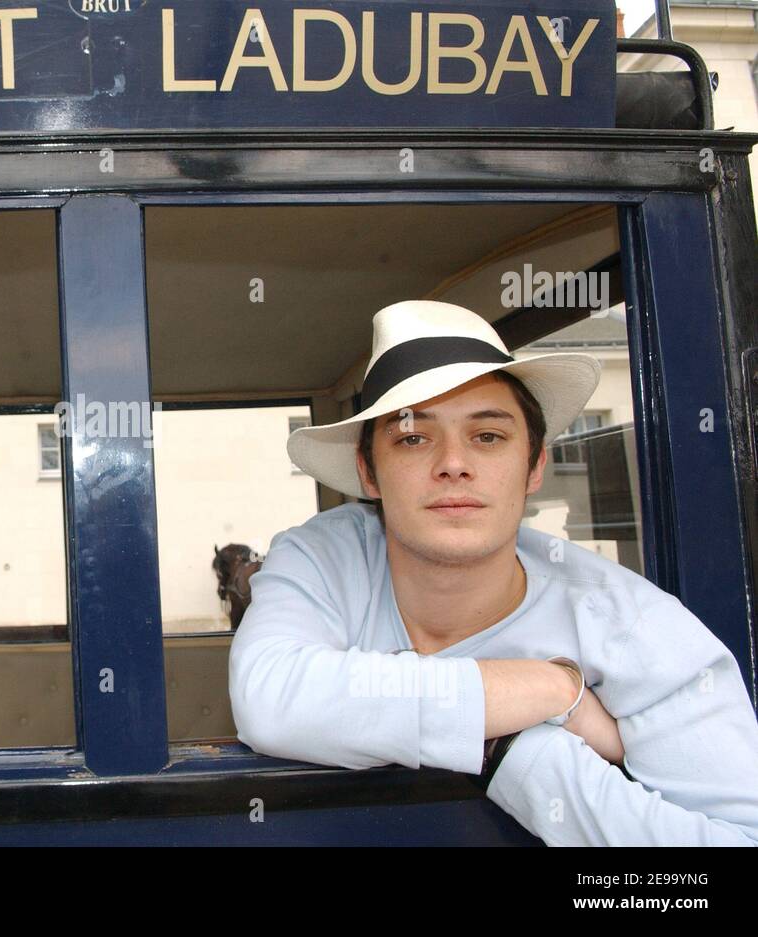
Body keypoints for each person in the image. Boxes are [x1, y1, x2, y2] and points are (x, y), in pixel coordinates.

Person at [228, 299, 758, 845]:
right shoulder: (324, 556)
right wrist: (554, 689)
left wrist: (519, 755)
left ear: (534, 468)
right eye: (413, 437)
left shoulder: (631, 623)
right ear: (369, 472)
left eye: (488, 436)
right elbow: (270, 699)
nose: (454, 463)